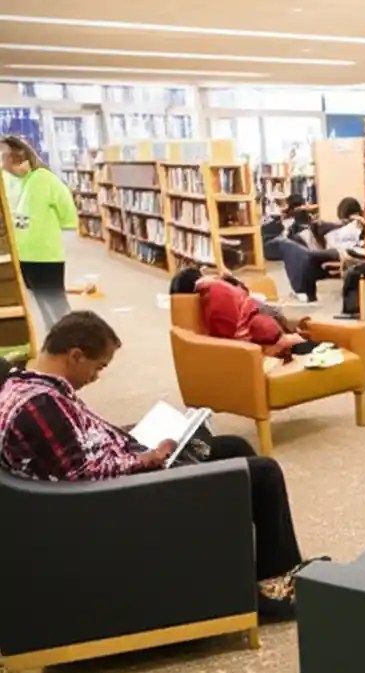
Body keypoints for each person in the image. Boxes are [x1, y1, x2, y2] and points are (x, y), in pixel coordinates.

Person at [0, 311, 320, 618]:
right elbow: (83, 480)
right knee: (263, 473)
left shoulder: (29, 385)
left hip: (116, 486)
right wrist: (146, 460)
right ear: (75, 356)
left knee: (233, 448)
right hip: (122, 504)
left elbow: (78, 452)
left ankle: (261, 569)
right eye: (97, 367)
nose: (96, 377)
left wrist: (132, 441)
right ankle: (277, 580)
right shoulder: (40, 405)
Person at [1, 135, 76, 330]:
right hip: (22, 254)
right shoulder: (11, 181)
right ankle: (56, 340)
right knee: (40, 302)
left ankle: (72, 339)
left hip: (45, 255)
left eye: (6, 157)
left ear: (20, 155)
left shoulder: (45, 178)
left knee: (55, 302)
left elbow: (68, 212)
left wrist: (64, 235)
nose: (4, 163)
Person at [170, 268, 310, 359]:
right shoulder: (219, 285)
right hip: (262, 314)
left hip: (259, 322)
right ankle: (300, 341)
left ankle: (297, 343)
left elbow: (225, 329)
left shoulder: (212, 294)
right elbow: (243, 293)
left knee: (274, 336)